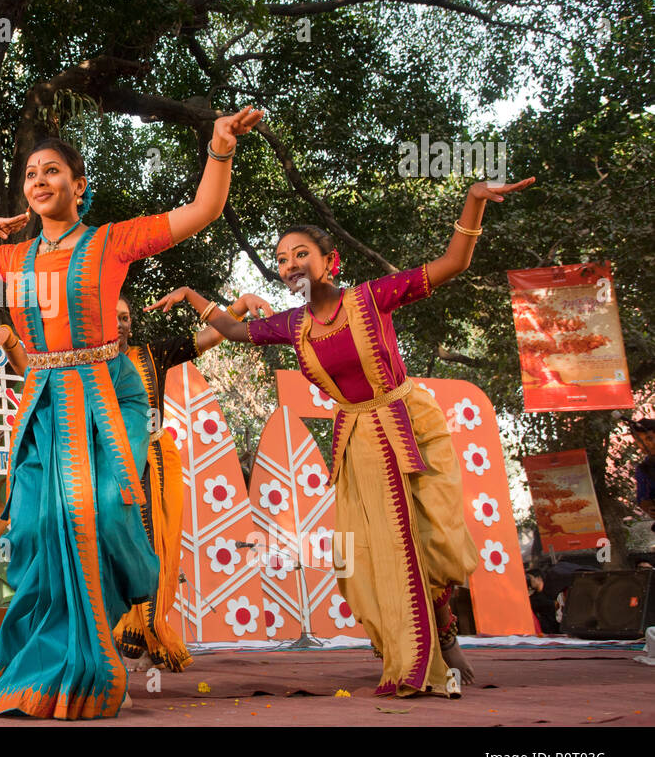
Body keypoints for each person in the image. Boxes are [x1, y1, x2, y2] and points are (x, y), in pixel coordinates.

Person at [0, 105, 264, 718]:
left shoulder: (110, 240)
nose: (39, 180)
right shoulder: (11, 259)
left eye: (52, 171)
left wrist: (220, 145)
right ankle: (60, 662)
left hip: (106, 387)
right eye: (29, 174)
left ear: (79, 185)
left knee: (105, 505)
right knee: (40, 530)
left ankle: (135, 591)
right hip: (43, 396)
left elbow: (202, 211)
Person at [151, 175, 535, 696]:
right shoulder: (293, 326)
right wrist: (196, 296)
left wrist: (472, 204)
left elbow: (453, 264)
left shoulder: (371, 298)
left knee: (430, 541)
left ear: (329, 261)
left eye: (300, 254)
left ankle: (444, 639)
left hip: (408, 425)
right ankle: (414, 652)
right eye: (282, 259)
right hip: (358, 440)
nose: (289, 266)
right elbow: (237, 330)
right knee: (381, 551)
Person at [0, 290, 271, 672]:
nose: (119, 322)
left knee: (147, 545)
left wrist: (239, 307)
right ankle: (99, 637)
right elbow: (30, 372)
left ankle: (143, 633)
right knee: (90, 542)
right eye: (111, 316)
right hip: (91, 465)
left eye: (125, 316)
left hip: (150, 463)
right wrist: (11, 336)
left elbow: (215, 336)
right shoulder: (77, 362)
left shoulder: (151, 355)